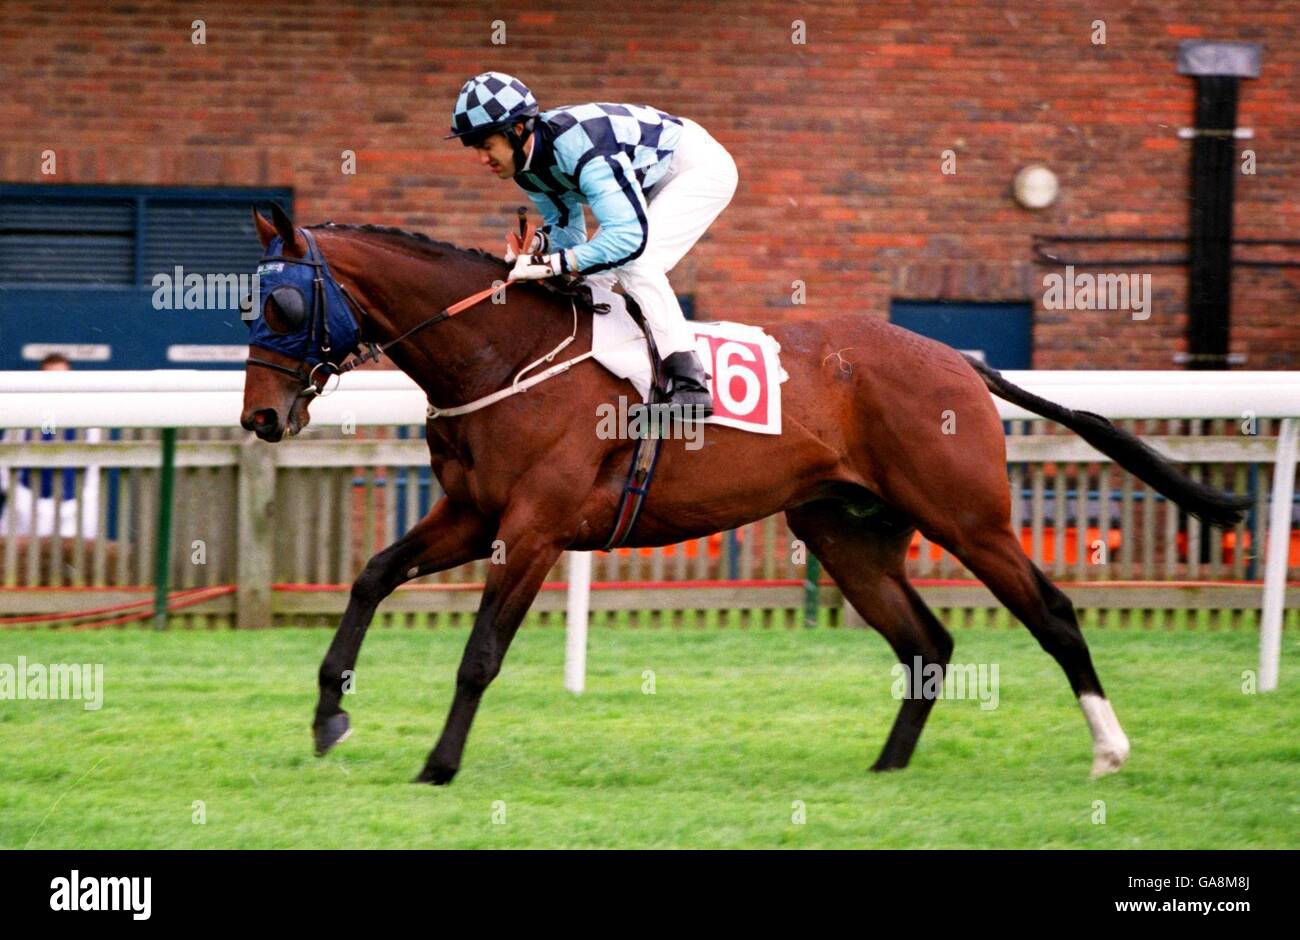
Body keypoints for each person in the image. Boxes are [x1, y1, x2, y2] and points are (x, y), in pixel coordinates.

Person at [447, 71, 739, 417]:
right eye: (475, 147)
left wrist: (549, 265)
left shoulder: (581, 146)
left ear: (518, 130)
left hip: (697, 167)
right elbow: (569, 234)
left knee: (637, 263)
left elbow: (627, 240)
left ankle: (691, 385)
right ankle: (620, 376)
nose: (482, 158)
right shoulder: (527, 168)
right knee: (590, 281)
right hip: (647, 178)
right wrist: (539, 245)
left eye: (486, 144)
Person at [0, 354, 101, 539]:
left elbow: (95, 466)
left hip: (73, 510)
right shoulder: (24, 412)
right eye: (50, 378)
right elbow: (5, 457)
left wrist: (82, 502)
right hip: (27, 508)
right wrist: (18, 496)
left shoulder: (87, 416)